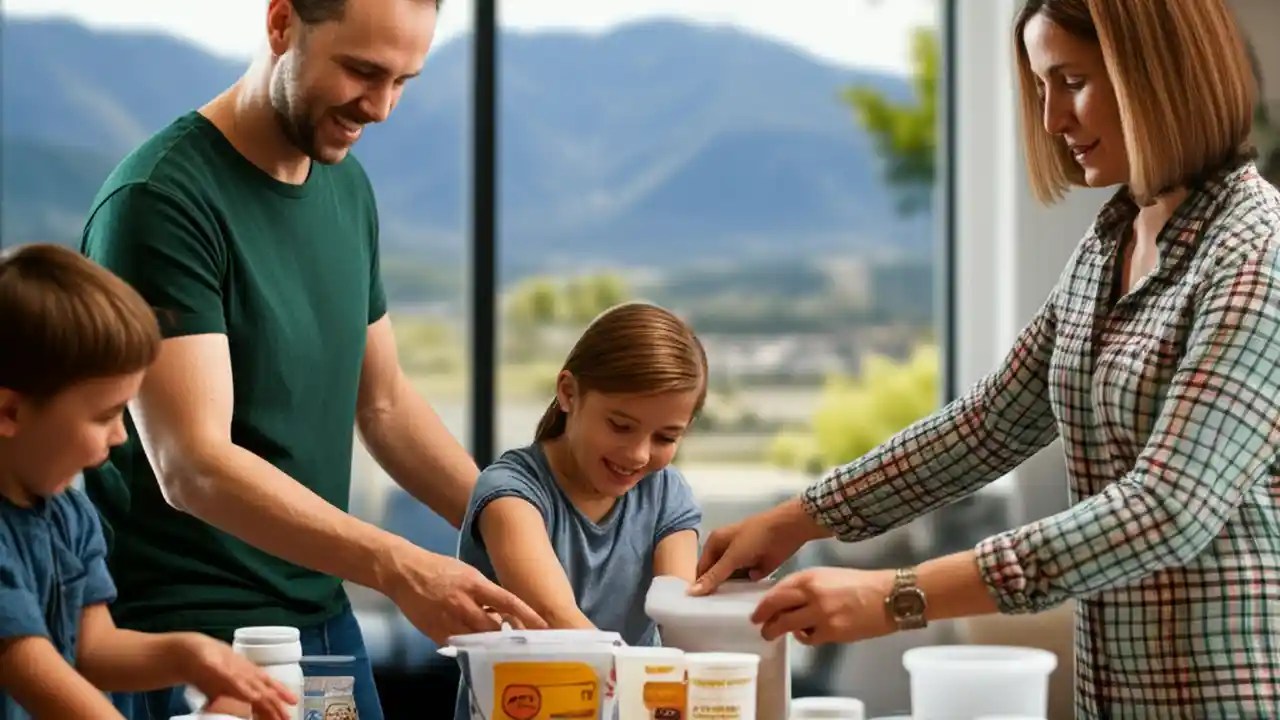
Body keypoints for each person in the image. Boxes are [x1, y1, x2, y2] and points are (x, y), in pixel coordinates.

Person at [693, 1, 1279, 717]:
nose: (1052, 121)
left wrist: (896, 596)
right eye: (1041, 88)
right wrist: (799, 517)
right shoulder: (1109, 247)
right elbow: (985, 426)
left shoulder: (1258, 254)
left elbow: (1167, 509)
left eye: (1072, 81)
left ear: (1159, 74)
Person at [79, 0, 544, 718]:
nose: (382, 107)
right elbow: (193, 467)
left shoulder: (346, 186)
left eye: (403, 80)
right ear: (280, 24)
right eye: (362, 71)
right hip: (192, 629)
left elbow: (383, 403)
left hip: (323, 622)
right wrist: (400, 566)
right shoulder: (160, 201)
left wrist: (520, 521)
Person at [0, 244, 297, 720]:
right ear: (9, 412)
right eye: (106, 415)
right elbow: (34, 674)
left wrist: (190, 655)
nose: (120, 436)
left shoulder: (69, 517)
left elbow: (93, 648)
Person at [454, 302, 706, 719]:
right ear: (568, 393)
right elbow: (559, 622)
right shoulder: (510, 494)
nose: (639, 454)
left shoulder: (667, 495)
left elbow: (679, 621)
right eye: (620, 426)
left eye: (665, 437)